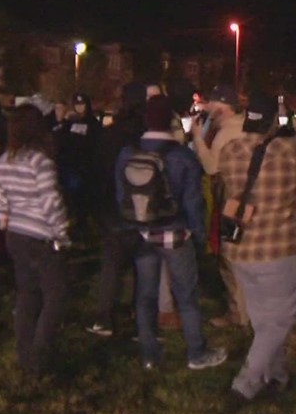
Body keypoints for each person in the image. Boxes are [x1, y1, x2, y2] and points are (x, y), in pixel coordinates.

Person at [218, 92, 296, 406]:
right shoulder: (289, 150)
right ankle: (245, 385)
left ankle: (276, 376)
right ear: (274, 121)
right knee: (278, 322)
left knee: (264, 321)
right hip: (280, 248)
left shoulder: (230, 150)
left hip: (241, 248)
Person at [117, 95, 226, 371]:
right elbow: (193, 202)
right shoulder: (182, 156)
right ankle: (196, 352)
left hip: (142, 234)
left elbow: (122, 196)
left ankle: (149, 355)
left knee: (145, 295)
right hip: (175, 235)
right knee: (186, 296)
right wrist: (198, 236)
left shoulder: (128, 153)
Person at [0, 105, 70, 376]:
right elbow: (50, 201)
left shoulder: (5, 160)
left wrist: (5, 218)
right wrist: (62, 232)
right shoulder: (41, 162)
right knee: (56, 295)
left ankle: (24, 353)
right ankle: (40, 352)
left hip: (16, 234)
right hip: (42, 236)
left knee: (27, 293)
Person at [86, 82, 147, 337]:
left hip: (113, 208)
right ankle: (139, 315)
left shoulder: (111, 134)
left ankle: (105, 317)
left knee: (111, 264)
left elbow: (98, 171)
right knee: (142, 264)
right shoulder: (146, 134)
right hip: (143, 207)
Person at [190, 84, 249, 329]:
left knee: (229, 256)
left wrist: (197, 138)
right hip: (247, 196)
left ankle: (238, 313)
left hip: (230, 197)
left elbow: (211, 167)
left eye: (212, 103)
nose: (208, 107)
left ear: (223, 106)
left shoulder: (225, 133)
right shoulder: (244, 126)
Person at [57, 92, 102, 239]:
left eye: (82, 104)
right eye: (77, 104)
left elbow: (96, 144)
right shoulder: (70, 123)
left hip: (87, 167)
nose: (80, 107)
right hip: (71, 166)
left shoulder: (93, 123)